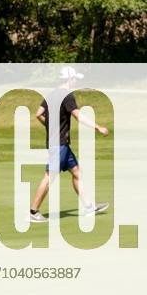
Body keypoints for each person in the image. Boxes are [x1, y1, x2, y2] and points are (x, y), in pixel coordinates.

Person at [29, 66, 110, 223]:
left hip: (60, 143)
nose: (75, 82)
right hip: (59, 144)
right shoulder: (67, 96)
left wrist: (50, 125)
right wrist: (98, 127)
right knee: (49, 177)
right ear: (69, 79)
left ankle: (88, 207)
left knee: (76, 172)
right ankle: (33, 212)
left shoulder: (51, 94)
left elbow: (38, 114)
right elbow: (78, 116)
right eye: (74, 79)